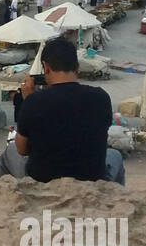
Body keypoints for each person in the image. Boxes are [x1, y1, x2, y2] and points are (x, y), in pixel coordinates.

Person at [15, 39, 113, 182]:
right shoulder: (101, 97)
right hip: (91, 178)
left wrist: (28, 102)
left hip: (44, 178)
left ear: (46, 67)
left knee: (9, 155)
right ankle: (113, 198)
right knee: (114, 156)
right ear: (77, 67)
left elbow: (22, 149)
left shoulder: (34, 101)